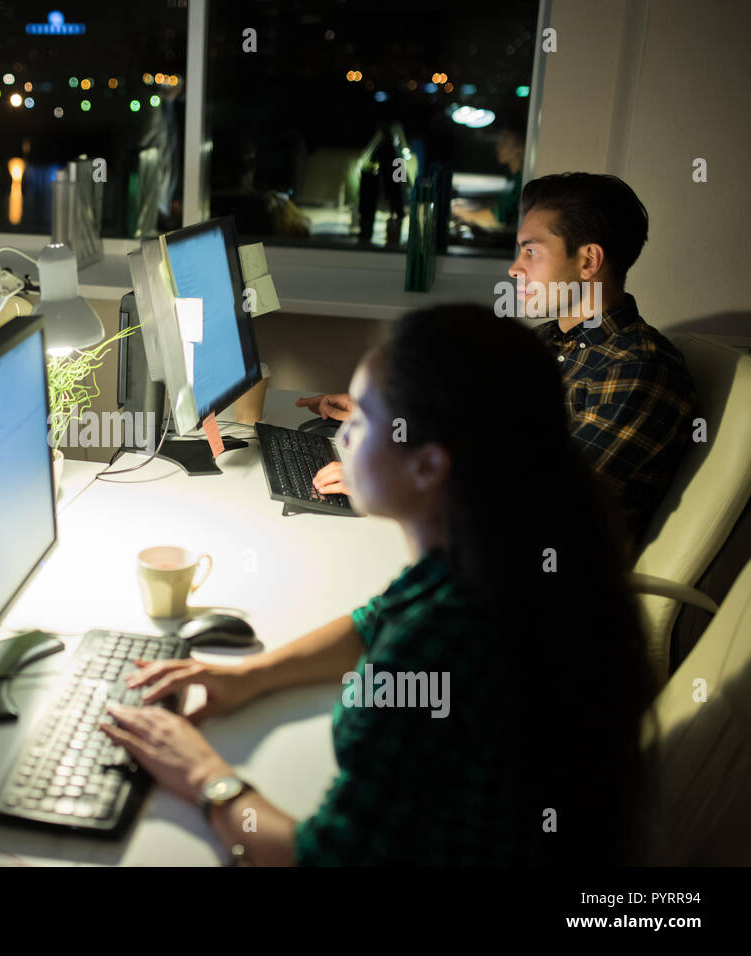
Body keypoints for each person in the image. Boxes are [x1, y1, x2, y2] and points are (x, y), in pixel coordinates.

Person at [103, 305, 658, 865]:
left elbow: (325, 858)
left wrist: (204, 775)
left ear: (427, 467)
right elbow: (373, 621)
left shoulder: (444, 636)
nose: (343, 433)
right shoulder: (499, 553)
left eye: (363, 420)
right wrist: (250, 674)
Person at [304, 173, 695, 554]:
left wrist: (393, 484)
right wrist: (385, 417)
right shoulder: (547, 340)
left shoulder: (638, 368)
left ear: (589, 260)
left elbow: (545, 503)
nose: (515, 268)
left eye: (531, 251)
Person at [451, 128, 525, 230]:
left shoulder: (521, 180)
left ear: (519, 147)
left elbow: (498, 218)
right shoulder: (511, 179)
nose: (498, 147)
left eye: (505, 141)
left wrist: (462, 213)